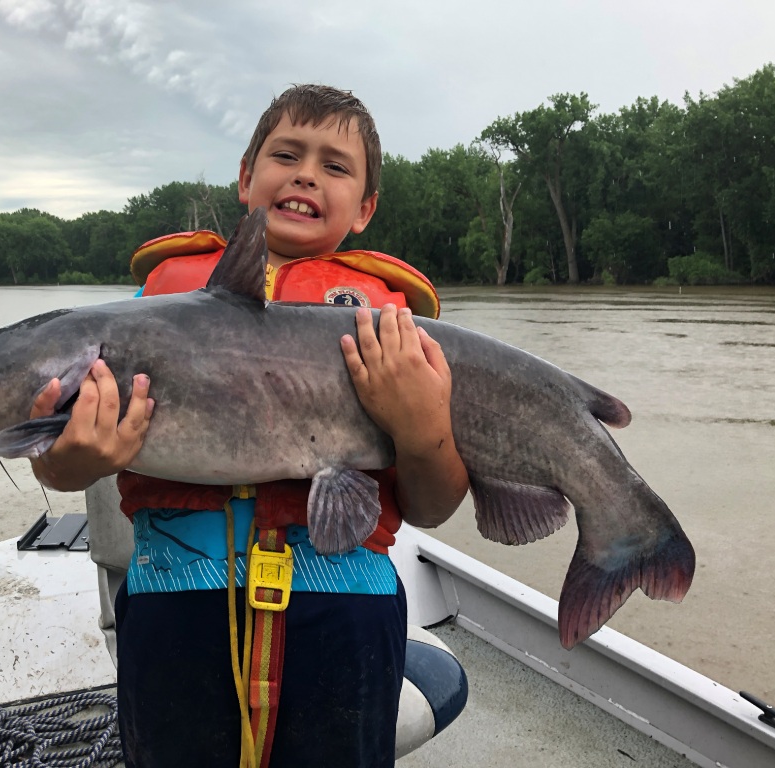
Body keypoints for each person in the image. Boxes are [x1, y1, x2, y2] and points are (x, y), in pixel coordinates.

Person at [29, 84, 468, 767]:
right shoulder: (148, 317)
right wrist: (67, 460)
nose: (305, 173)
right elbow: (61, 467)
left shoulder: (396, 335)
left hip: (344, 612)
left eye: (335, 165)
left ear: (366, 209)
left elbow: (435, 505)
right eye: (285, 154)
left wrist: (420, 428)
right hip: (177, 604)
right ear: (245, 178)